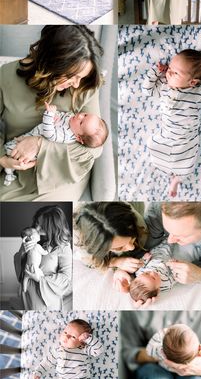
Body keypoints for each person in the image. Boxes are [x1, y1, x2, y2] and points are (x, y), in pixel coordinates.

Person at [0, 25, 105, 202]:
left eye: (82, 77)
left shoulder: (85, 87)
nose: (77, 85)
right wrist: (3, 159)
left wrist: (41, 145)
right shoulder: (5, 77)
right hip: (15, 167)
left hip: (59, 174)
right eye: (72, 76)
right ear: (51, 64)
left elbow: (94, 149)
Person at [142, 49, 201, 196]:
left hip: (186, 140)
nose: (169, 73)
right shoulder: (164, 88)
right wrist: (156, 71)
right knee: (153, 145)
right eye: (170, 68)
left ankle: (176, 180)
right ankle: (168, 173)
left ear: (192, 82)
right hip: (166, 135)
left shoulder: (196, 92)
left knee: (186, 165)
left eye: (175, 73)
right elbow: (147, 90)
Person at [120, 310, 201, 379]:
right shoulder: (133, 311)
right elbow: (129, 350)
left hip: (192, 366)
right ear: (199, 347)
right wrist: (155, 356)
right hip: (154, 365)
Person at [3, 103, 108, 186]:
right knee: (12, 150)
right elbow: (62, 117)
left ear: (79, 138)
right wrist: (56, 116)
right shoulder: (72, 120)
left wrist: (50, 114)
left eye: (81, 122)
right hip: (30, 136)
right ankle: (9, 171)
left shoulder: (67, 136)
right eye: (85, 115)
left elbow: (50, 134)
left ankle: (8, 173)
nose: (80, 116)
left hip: (31, 149)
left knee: (10, 150)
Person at [145, 202, 201, 285]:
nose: (169, 241)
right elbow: (143, 242)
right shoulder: (160, 205)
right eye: (169, 230)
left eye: (181, 235)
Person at [14, 205, 72, 310]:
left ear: (53, 227)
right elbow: (21, 263)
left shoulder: (64, 246)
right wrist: (22, 251)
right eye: (37, 223)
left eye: (42, 227)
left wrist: (40, 279)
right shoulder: (32, 237)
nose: (37, 229)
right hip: (26, 292)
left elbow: (66, 278)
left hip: (45, 296)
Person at [74, 201, 148, 272]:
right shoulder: (79, 240)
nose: (132, 247)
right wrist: (116, 262)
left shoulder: (135, 221)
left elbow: (143, 243)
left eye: (132, 238)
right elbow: (90, 262)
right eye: (119, 247)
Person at [33, 318, 103, 379]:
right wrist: (38, 371)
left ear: (82, 342)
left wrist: (88, 339)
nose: (67, 336)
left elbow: (98, 350)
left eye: (73, 337)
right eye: (65, 332)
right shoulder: (58, 350)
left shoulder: (83, 349)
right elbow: (47, 362)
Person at [20, 227, 48, 293]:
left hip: (27, 267)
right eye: (37, 233)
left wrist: (24, 241)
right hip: (35, 268)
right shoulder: (37, 246)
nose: (39, 234)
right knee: (41, 274)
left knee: (25, 278)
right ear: (32, 237)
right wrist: (47, 250)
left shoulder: (28, 247)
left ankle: (24, 288)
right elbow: (44, 252)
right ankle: (43, 287)